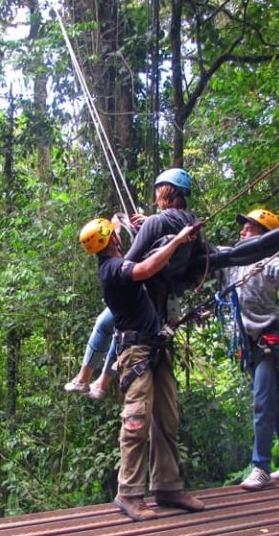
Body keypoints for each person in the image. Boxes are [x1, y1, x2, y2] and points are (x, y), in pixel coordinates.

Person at [78, 215, 205, 521]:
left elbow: (121, 238)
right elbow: (147, 268)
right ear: (111, 243)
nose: (119, 238)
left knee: (167, 417)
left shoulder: (113, 258)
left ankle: (168, 486)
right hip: (136, 353)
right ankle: (129, 493)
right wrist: (176, 240)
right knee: (136, 421)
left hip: (155, 346)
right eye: (114, 236)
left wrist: (119, 223)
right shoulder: (112, 269)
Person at [65, 168, 201, 400]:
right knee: (115, 327)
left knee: (108, 324)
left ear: (166, 191)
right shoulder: (188, 223)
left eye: (159, 191)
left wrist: (146, 226)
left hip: (144, 292)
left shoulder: (158, 223)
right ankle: (97, 382)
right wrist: (142, 224)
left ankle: (87, 378)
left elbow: (137, 262)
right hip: (160, 295)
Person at [216, 208, 279, 491]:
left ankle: (260, 466)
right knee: (274, 402)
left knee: (263, 402)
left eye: (248, 228)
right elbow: (208, 255)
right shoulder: (233, 259)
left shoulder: (270, 262)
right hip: (248, 343)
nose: (242, 232)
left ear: (263, 234)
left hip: (268, 340)